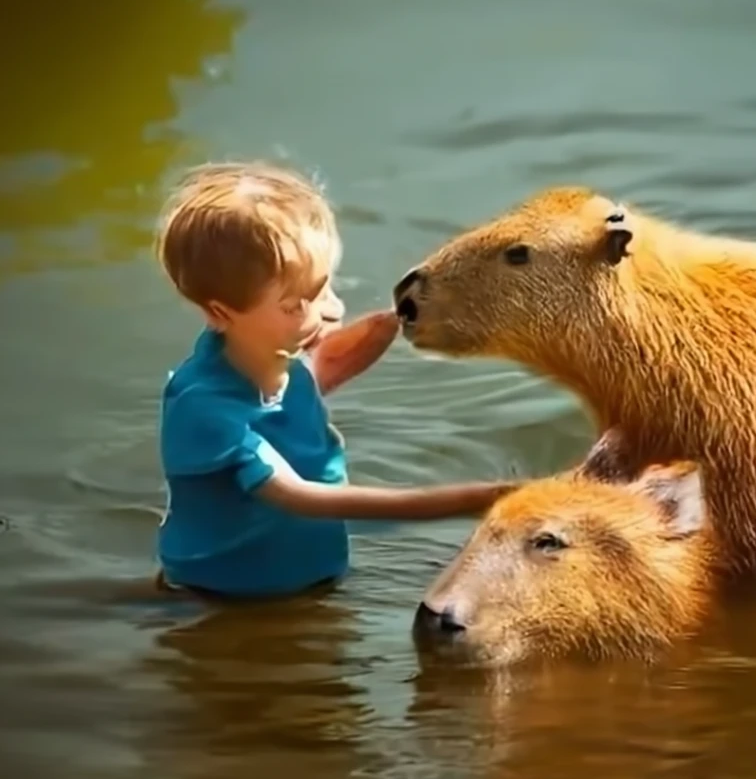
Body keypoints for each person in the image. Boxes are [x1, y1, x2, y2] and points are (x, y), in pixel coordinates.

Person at [153, 160, 515, 598]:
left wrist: (388, 324)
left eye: (325, 288)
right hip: (229, 599)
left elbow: (315, 375)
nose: (331, 309)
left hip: (307, 580)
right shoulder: (207, 410)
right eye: (297, 304)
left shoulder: (274, 360)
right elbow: (305, 499)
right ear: (221, 312)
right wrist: (479, 497)